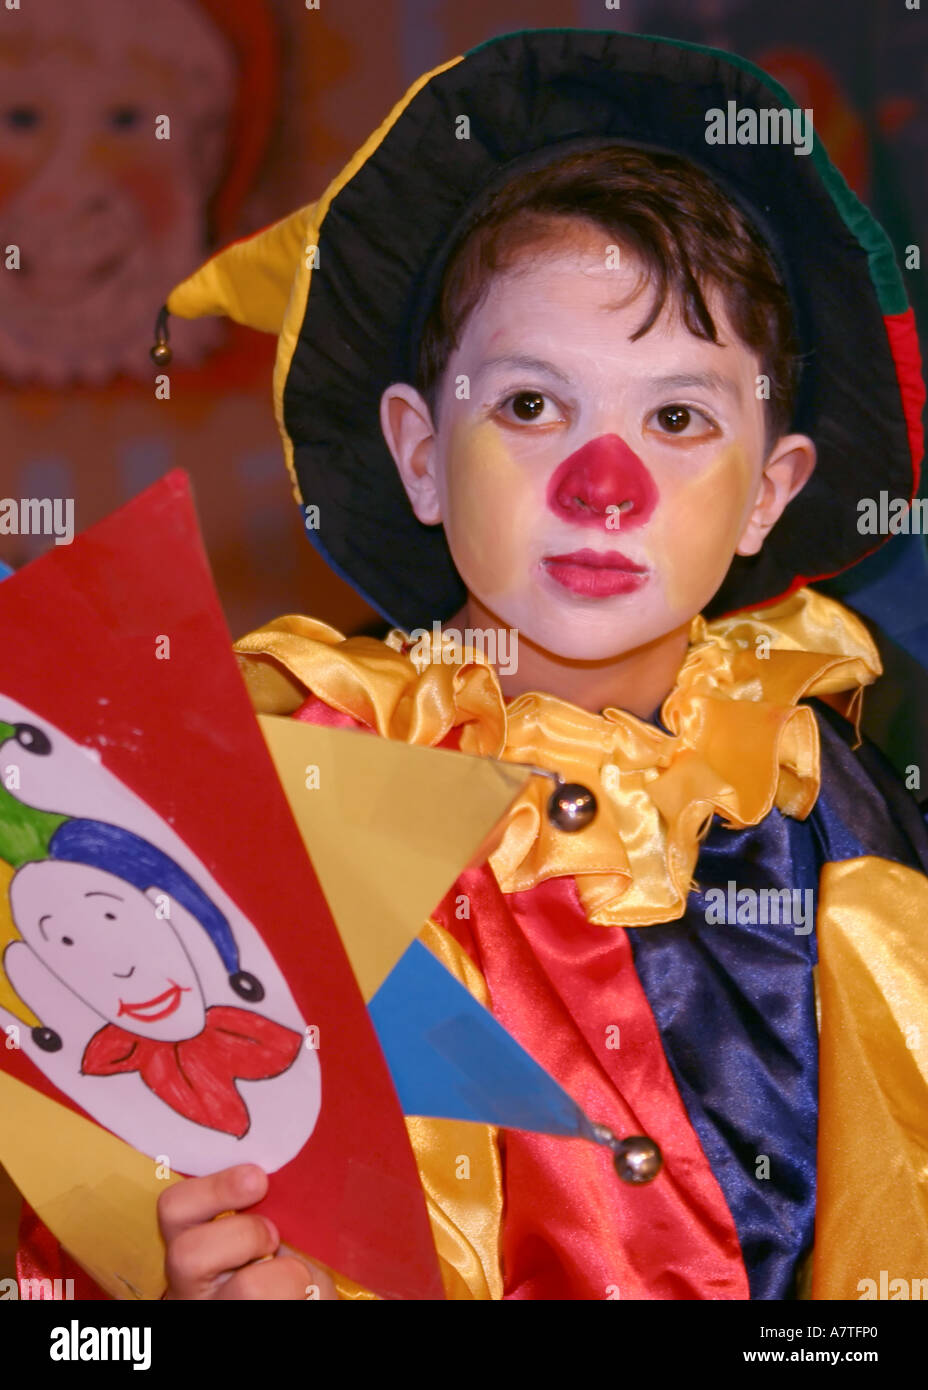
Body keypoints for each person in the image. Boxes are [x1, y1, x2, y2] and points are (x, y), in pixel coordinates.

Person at [18, 27, 928, 1300]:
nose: (602, 489)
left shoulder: (843, 826)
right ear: (418, 452)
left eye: (676, 418)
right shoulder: (255, 804)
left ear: (768, 493)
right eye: (529, 405)